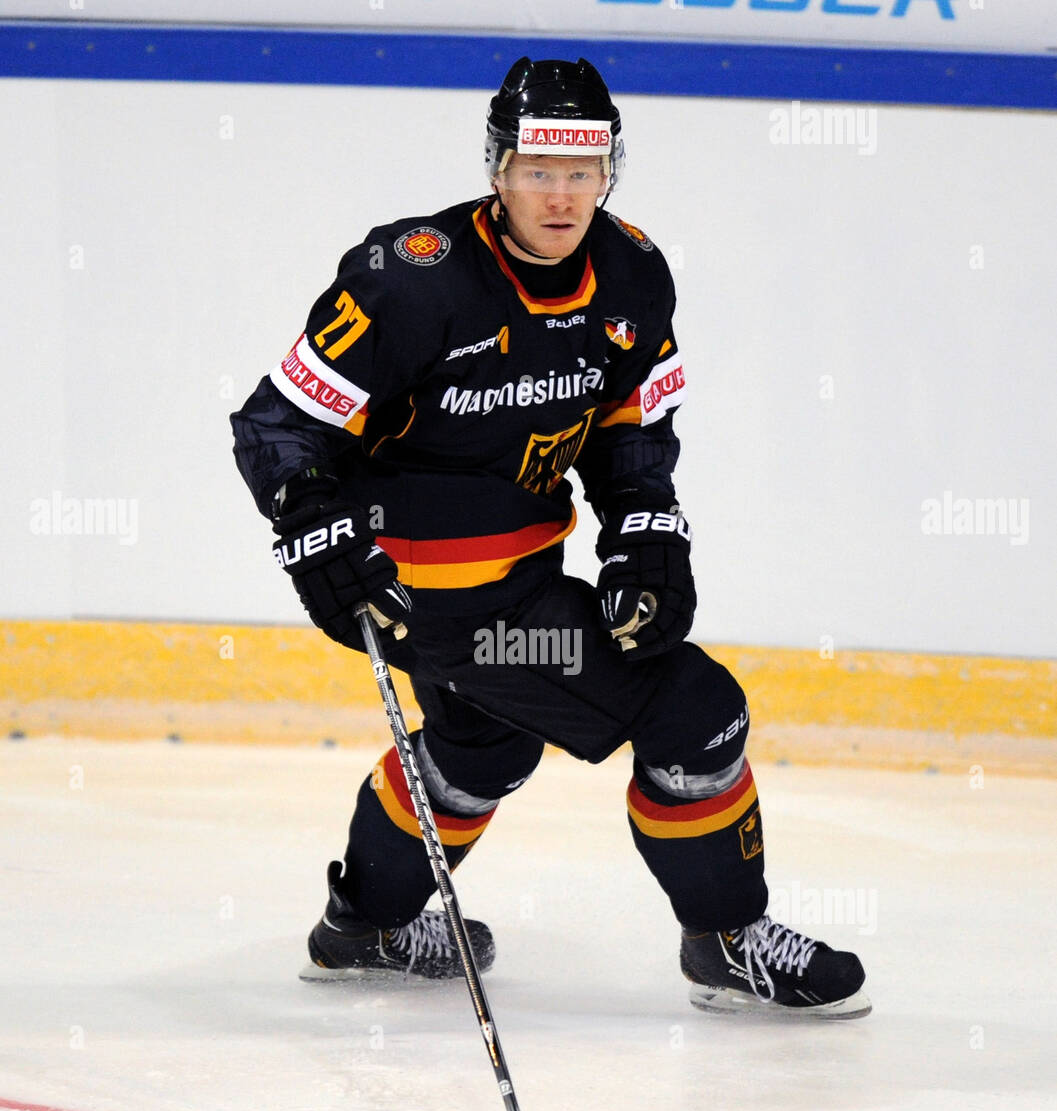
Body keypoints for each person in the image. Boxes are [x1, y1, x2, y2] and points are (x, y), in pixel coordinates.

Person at [231, 57, 870, 1017]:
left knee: (482, 747)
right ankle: (727, 940)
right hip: (424, 598)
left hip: (521, 577)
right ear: (498, 169)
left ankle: (364, 925)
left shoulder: (632, 276)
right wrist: (318, 534)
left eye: (583, 171)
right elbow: (278, 423)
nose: (561, 195)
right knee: (694, 712)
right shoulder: (411, 281)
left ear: (611, 169)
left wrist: (645, 536)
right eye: (538, 170)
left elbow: (630, 425)